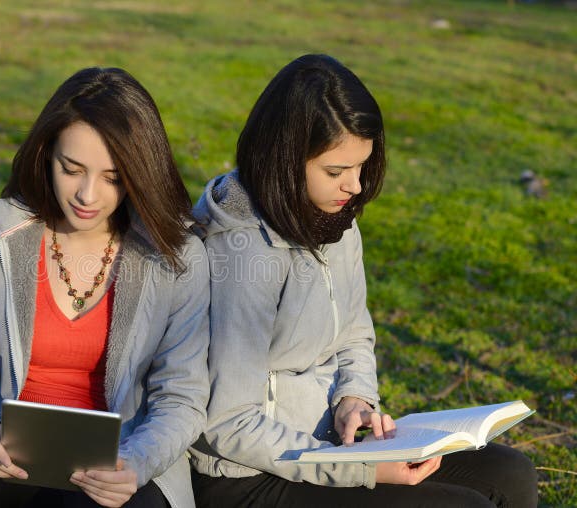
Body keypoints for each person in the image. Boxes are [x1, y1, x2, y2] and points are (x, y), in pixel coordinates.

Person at [188, 54, 538, 507]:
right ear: (284, 159)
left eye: (361, 166)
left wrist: (353, 400)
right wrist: (359, 470)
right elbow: (229, 423)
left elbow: (353, 330)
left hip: (328, 444)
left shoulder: (334, 218)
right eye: (336, 171)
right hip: (247, 474)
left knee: (511, 473)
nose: (354, 186)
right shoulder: (239, 252)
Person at [0, 67, 210, 508]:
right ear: (46, 153)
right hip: (9, 448)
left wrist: (137, 463)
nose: (88, 195)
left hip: (118, 460)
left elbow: (182, 397)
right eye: (72, 169)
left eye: (113, 178)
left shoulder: (176, 256)